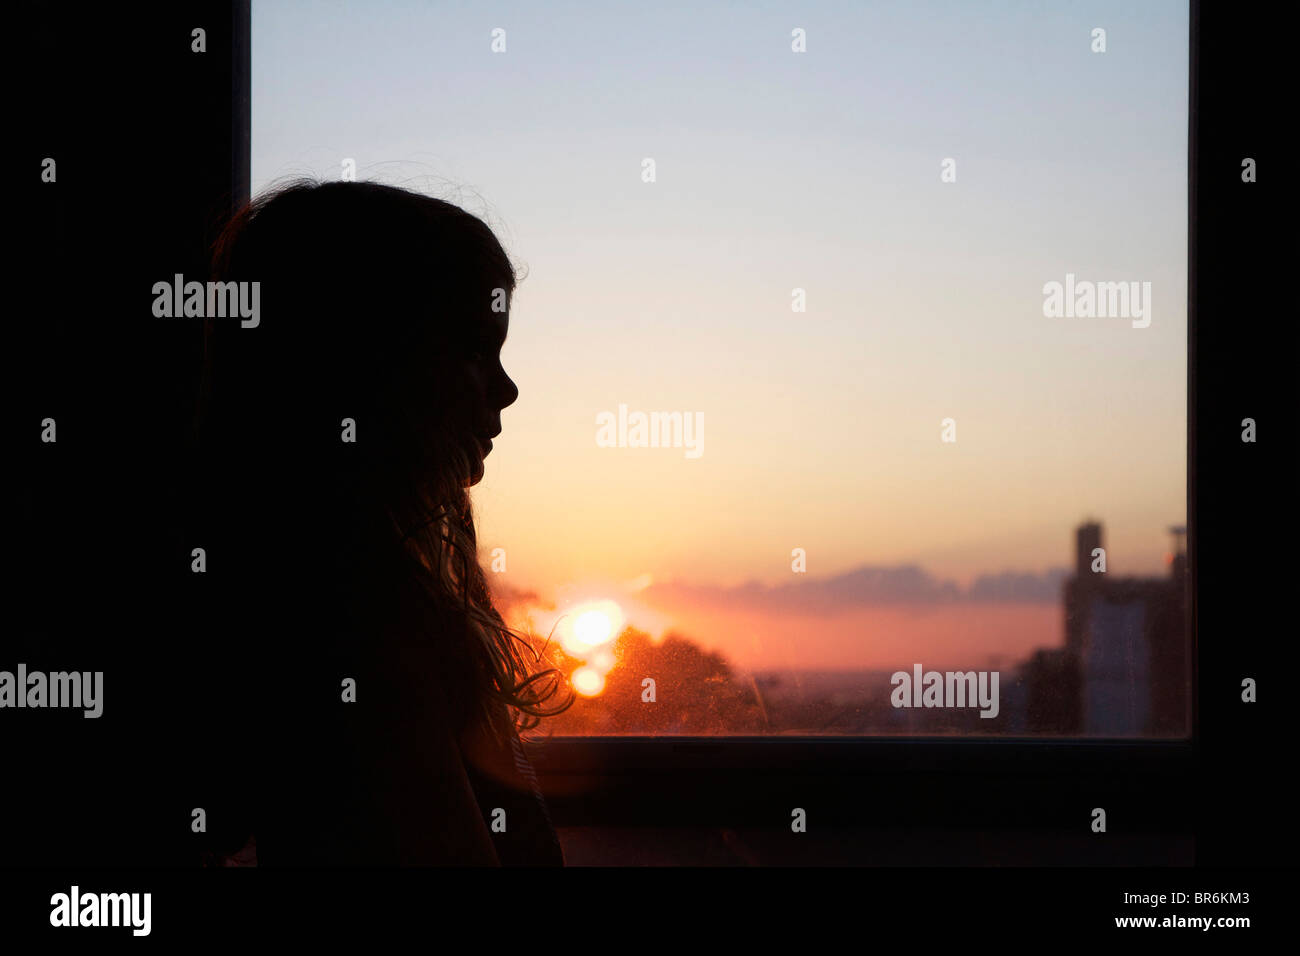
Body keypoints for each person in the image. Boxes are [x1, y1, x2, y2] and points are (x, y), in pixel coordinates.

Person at [189, 179, 572, 866]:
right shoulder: (357, 616)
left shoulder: (346, 593)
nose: (508, 388)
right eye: (475, 349)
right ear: (374, 361)